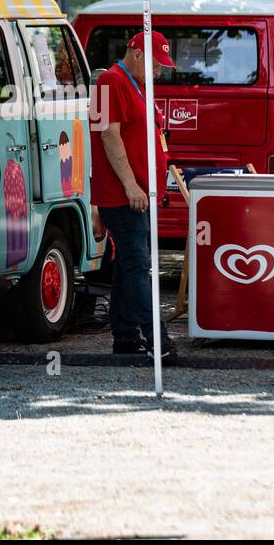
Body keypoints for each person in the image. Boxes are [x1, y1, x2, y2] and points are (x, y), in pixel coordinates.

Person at [90, 30, 177, 360]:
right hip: (123, 196)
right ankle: (157, 337)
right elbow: (109, 136)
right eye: (156, 64)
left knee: (130, 266)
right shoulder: (110, 83)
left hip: (135, 193)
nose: (159, 72)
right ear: (137, 53)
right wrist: (130, 184)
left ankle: (125, 337)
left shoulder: (134, 84)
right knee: (138, 266)